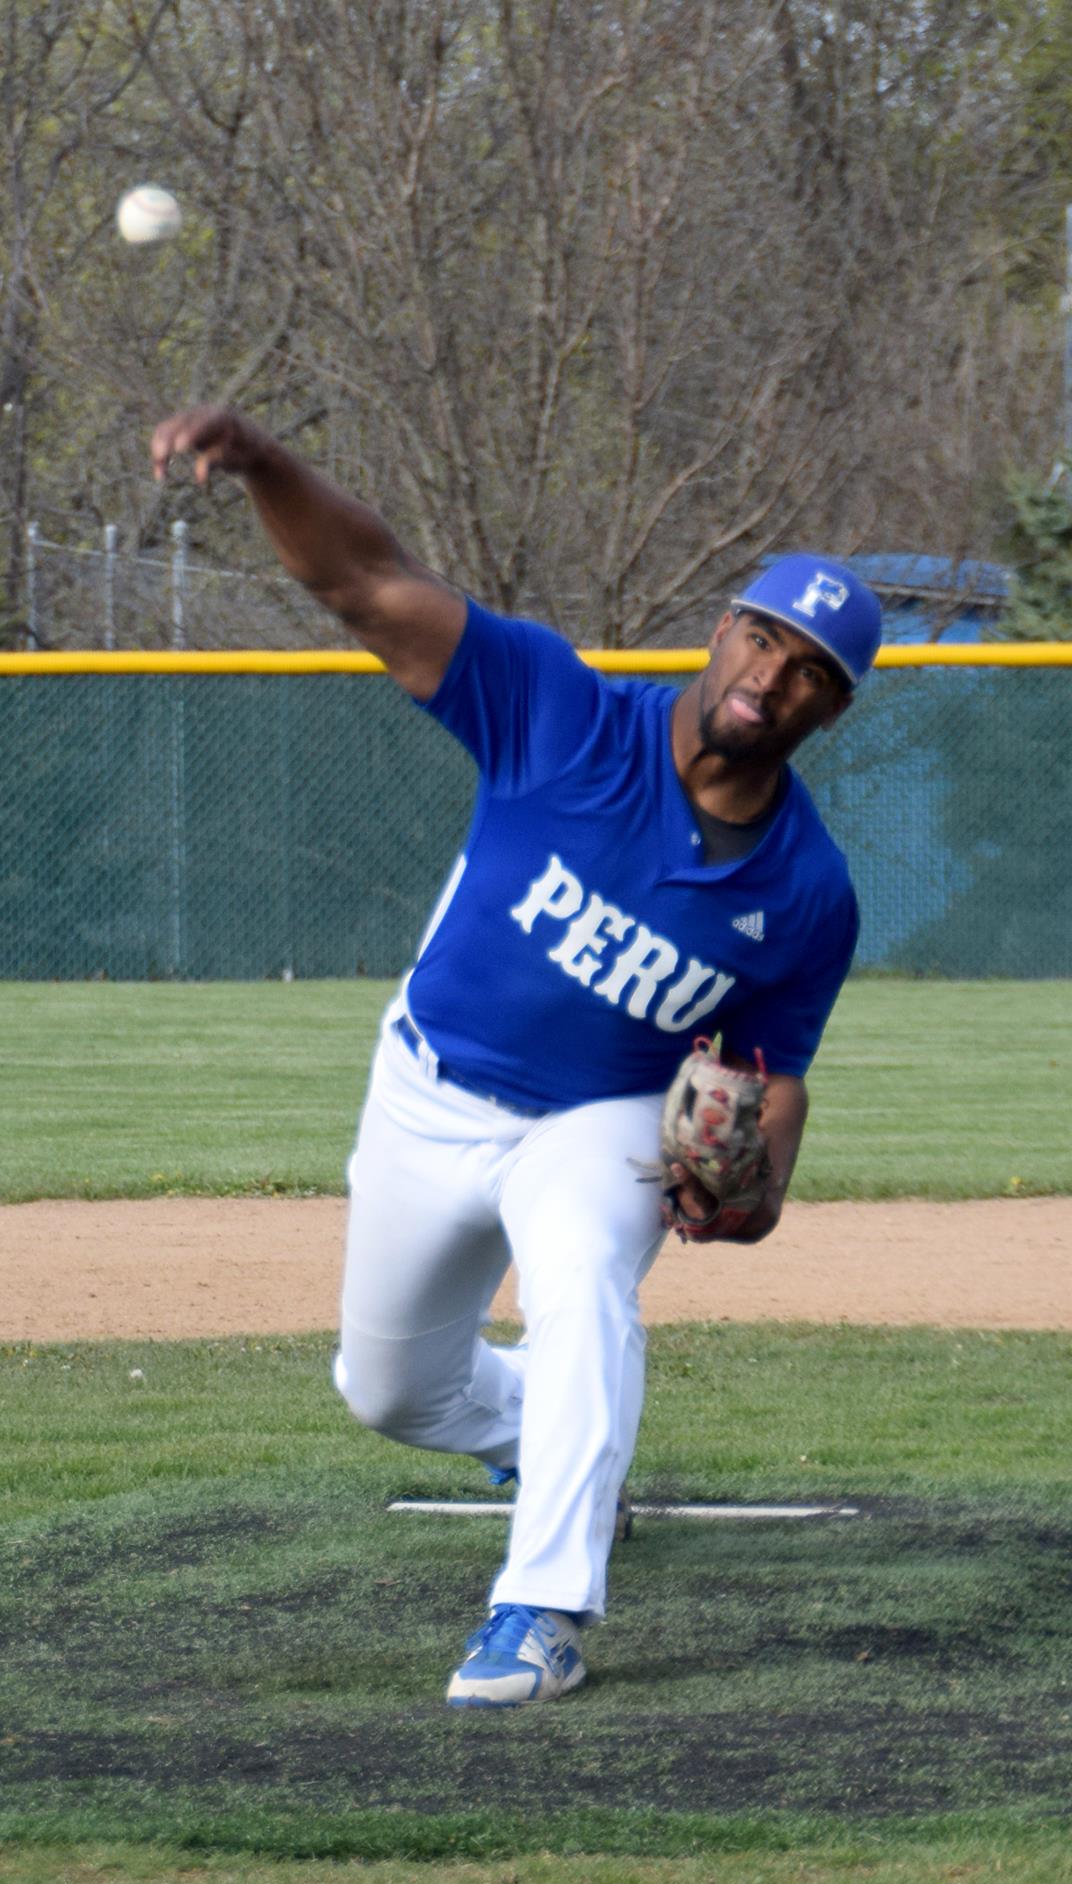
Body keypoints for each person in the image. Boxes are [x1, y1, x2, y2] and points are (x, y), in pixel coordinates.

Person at [151, 406, 882, 1708]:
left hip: (600, 1120)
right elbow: (363, 580)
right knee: (388, 1389)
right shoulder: (557, 709)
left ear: (832, 708)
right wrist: (263, 461)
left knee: (590, 1280)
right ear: (723, 628)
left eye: (812, 669)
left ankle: (542, 1609)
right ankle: (548, 1446)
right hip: (429, 1085)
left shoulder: (809, 893)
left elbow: (773, 1075)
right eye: (766, 636)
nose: (773, 676)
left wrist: (753, 1187)